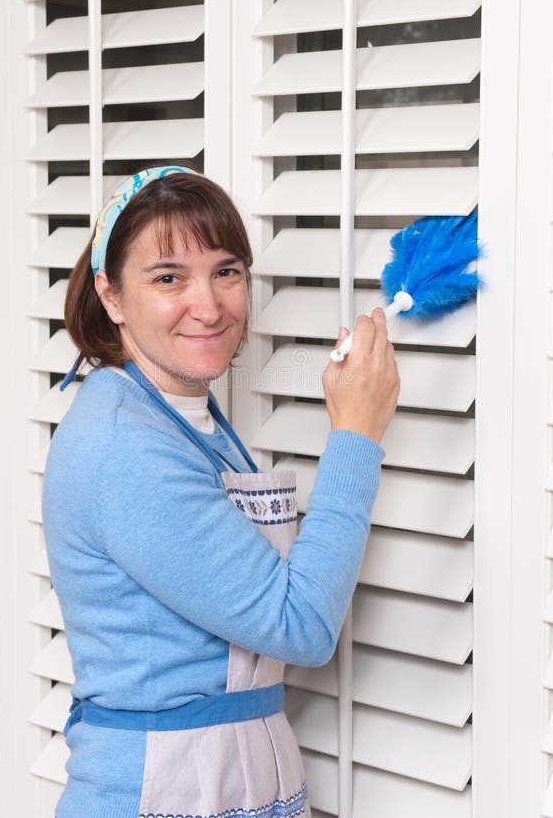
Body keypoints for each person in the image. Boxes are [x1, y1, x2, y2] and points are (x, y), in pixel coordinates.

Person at [42, 165, 400, 818]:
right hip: (156, 793)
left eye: (226, 271)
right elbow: (298, 627)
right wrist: (355, 433)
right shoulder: (123, 445)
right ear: (112, 296)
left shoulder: (185, 415)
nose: (208, 306)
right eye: (168, 277)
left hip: (232, 781)